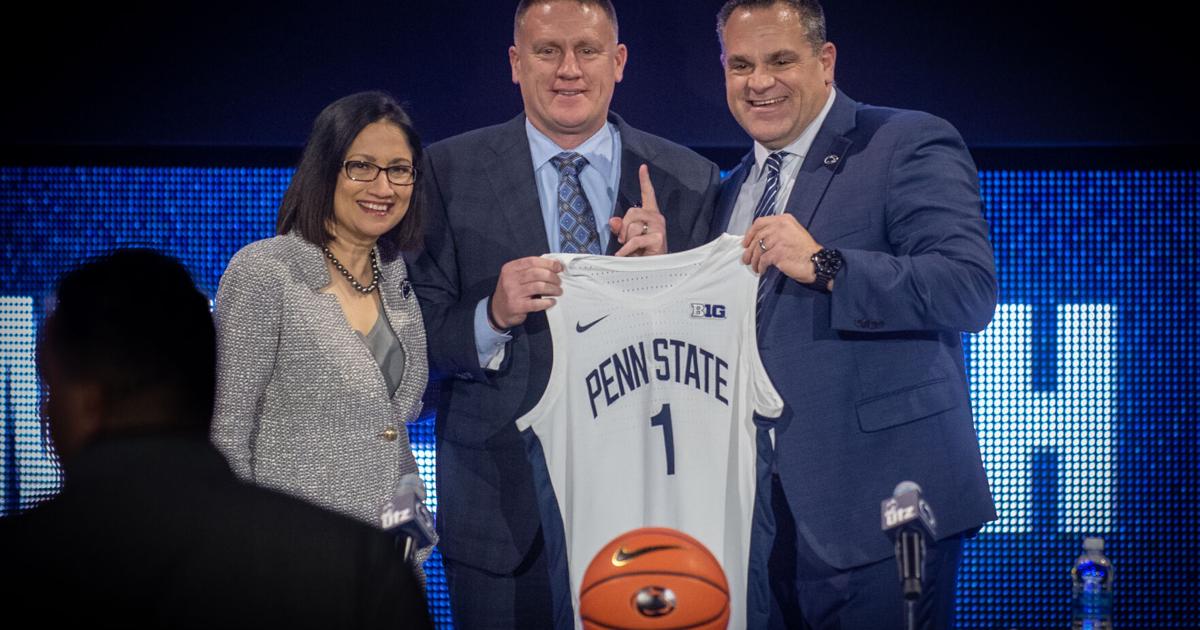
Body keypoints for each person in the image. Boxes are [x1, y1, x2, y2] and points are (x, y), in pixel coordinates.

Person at [407, 0, 721, 626]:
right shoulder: (444, 171)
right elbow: (416, 336)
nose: (568, 69)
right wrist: (491, 315)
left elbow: (716, 348)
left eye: (588, 50)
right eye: (547, 51)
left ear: (620, 61)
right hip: (499, 509)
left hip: (645, 505)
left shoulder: (688, 179)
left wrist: (666, 274)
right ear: (516, 64)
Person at [711, 1, 998, 627]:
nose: (759, 81)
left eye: (781, 60)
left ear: (825, 60)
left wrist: (826, 264)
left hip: (882, 516)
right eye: (741, 65)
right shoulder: (730, 189)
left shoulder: (903, 140)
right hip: (758, 528)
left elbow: (968, 287)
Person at [0, 249, 431, 629]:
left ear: (86, 401)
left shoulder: (20, 563)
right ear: (211, 385)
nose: (44, 410)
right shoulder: (359, 565)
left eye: (50, 387)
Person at [210, 92, 433, 574]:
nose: (384, 186)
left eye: (400, 169)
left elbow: (389, 432)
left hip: (382, 568)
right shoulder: (265, 272)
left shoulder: (395, 278)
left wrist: (410, 535)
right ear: (326, 170)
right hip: (288, 565)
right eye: (362, 167)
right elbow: (226, 432)